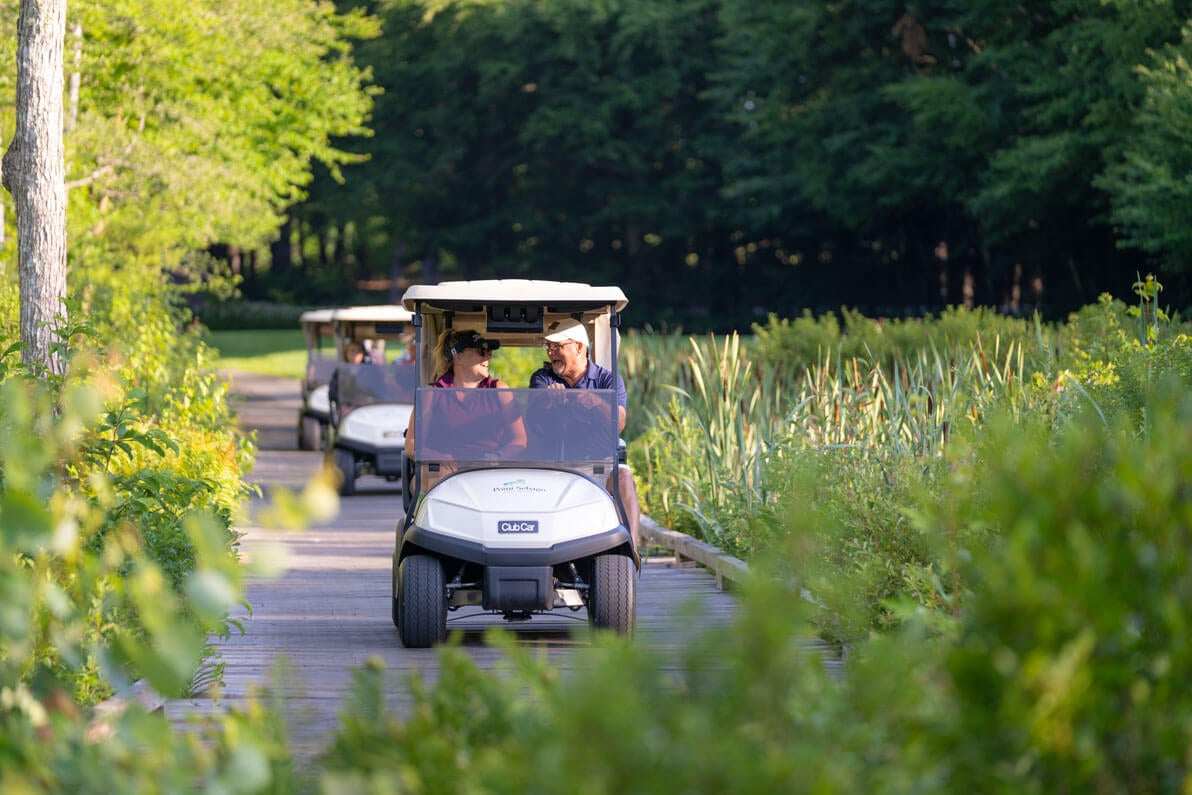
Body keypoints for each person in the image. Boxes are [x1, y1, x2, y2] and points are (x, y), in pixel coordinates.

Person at [528, 318, 642, 548]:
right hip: (556, 467)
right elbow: (535, 410)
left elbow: (619, 422)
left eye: (557, 346)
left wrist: (593, 401)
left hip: (598, 464)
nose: (551, 352)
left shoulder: (607, 379)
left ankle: (631, 551)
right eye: (548, 346)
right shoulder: (543, 378)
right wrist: (548, 400)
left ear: (579, 347)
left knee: (625, 478)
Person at [404, 329, 527, 461]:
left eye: (489, 351)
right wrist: (440, 459)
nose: (488, 357)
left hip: (487, 471)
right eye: (481, 351)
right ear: (458, 357)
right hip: (444, 474)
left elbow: (519, 440)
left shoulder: (500, 391)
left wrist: (496, 457)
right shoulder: (432, 394)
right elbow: (412, 446)